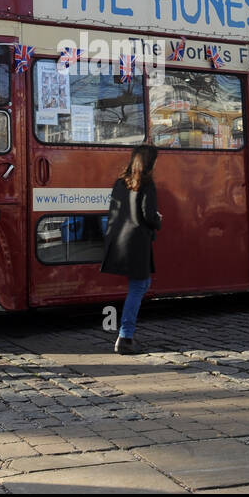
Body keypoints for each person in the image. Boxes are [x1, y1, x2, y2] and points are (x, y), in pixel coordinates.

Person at [100, 145, 163, 355]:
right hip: (137, 242)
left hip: (120, 241)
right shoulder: (147, 184)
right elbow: (148, 215)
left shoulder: (120, 182)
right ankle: (125, 337)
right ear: (149, 163)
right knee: (139, 286)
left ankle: (125, 335)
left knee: (139, 285)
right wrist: (158, 220)